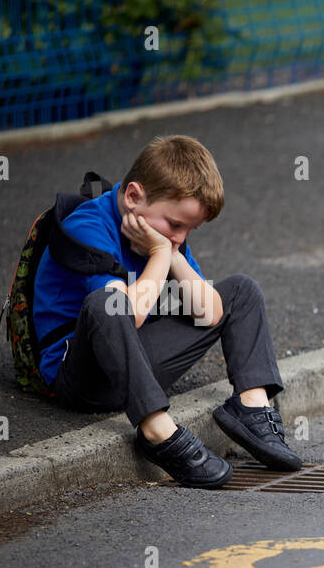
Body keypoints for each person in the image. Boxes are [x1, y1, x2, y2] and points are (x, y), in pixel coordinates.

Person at [32, 134, 302, 488]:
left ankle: (251, 408)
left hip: (131, 366)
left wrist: (170, 253)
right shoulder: (89, 226)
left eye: (190, 229)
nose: (180, 236)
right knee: (107, 303)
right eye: (176, 225)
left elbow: (212, 313)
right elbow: (126, 314)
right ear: (133, 196)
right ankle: (157, 431)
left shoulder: (162, 234)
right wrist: (161, 256)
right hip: (82, 378)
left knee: (241, 290)